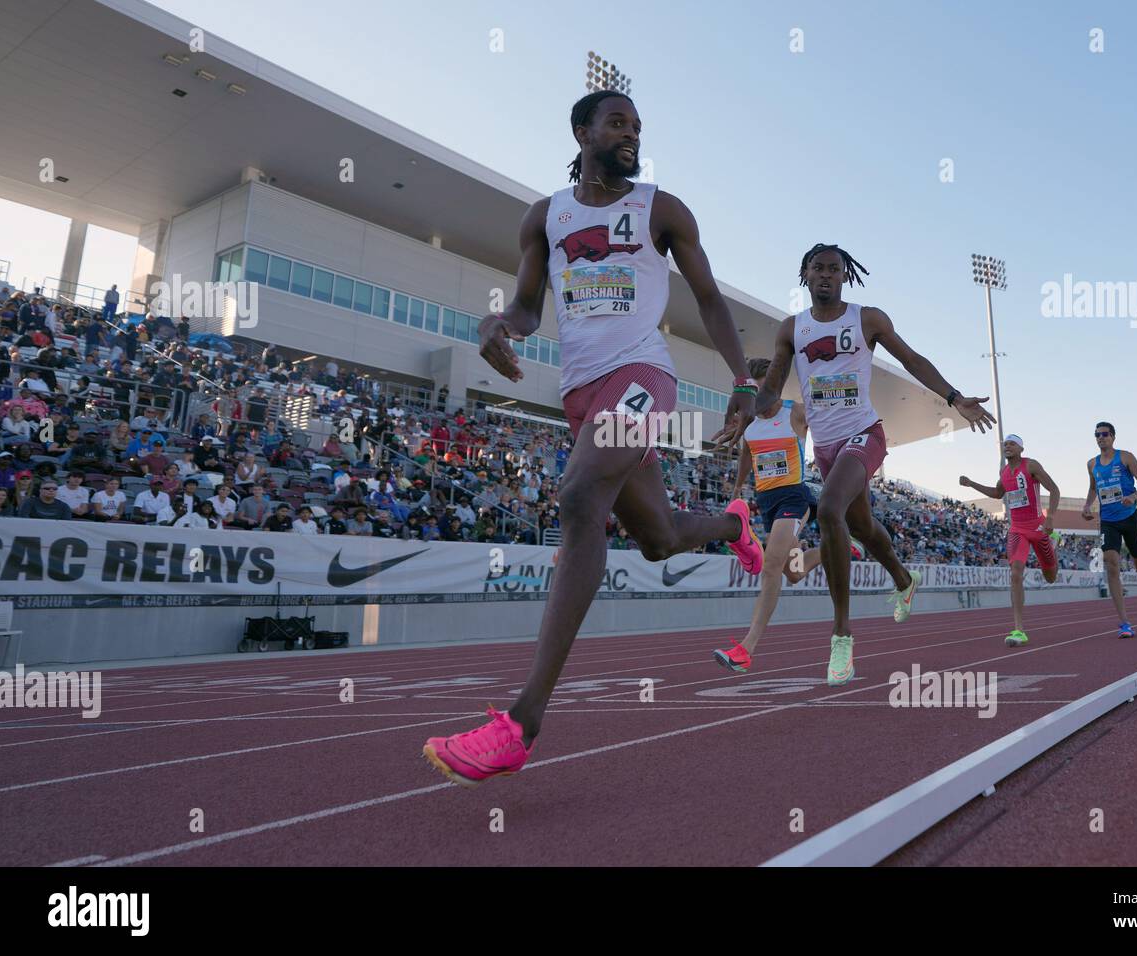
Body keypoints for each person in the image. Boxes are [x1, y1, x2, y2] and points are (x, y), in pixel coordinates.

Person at [423, 89, 763, 787]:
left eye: (638, 124)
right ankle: (734, 527)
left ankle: (520, 724)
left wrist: (741, 379)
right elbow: (525, 305)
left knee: (580, 501)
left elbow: (708, 298)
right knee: (660, 537)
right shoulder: (545, 217)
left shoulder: (662, 210)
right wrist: (497, 326)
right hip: (579, 393)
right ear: (582, 132)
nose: (631, 133)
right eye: (617, 122)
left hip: (641, 374)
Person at [753, 243, 994, 684]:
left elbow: (911, 359)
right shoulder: (792, 329)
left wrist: (955, 398)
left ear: (845, 276)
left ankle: (841, 636)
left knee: (828, 510)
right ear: (804, 275)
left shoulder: (868, 319)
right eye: (817, 268)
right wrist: (744, 409)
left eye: (834, 268)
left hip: (865, 434)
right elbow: (770, 387)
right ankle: (903, 578)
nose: (825, 274)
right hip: (824, 448)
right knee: (861, 527)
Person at [713, 357, 824, 673]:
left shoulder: (797, 412)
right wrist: (737, 489)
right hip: (766, 502)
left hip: (795, 496)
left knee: (771, 565)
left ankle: (746, 649)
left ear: (773, 388)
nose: (755, 400)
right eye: (751, 394)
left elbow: (830, 429)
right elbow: (747, 454)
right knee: (794, 572)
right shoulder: (750, 424)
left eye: (761, 391)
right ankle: (837, 549)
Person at [959, 435, 1061, 646]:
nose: (1007, 446)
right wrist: (971, 484)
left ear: (1021, 448)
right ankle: (1018, 630)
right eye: (1005, 444)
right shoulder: (1003, 472)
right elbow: (998, 493)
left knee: (1050, 576)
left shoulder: (1031, 465)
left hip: (1039, 527)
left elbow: (1054, 489)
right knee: (1015, 573)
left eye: (1012, 443)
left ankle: (1054, 543)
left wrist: (1050, 517)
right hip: (1017, 529)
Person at [1081, 421, 1137, 638]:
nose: (1100, 437)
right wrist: (1087, 505)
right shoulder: (1091, 464)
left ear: (1113, 437)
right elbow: (1093, 488)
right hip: (1108, 521)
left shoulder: (1125, 457)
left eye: (1104, 434)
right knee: (1111, 564)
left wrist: (1133, 497)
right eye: (1097, 434)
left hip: (1130, 517)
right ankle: (1124, 622)